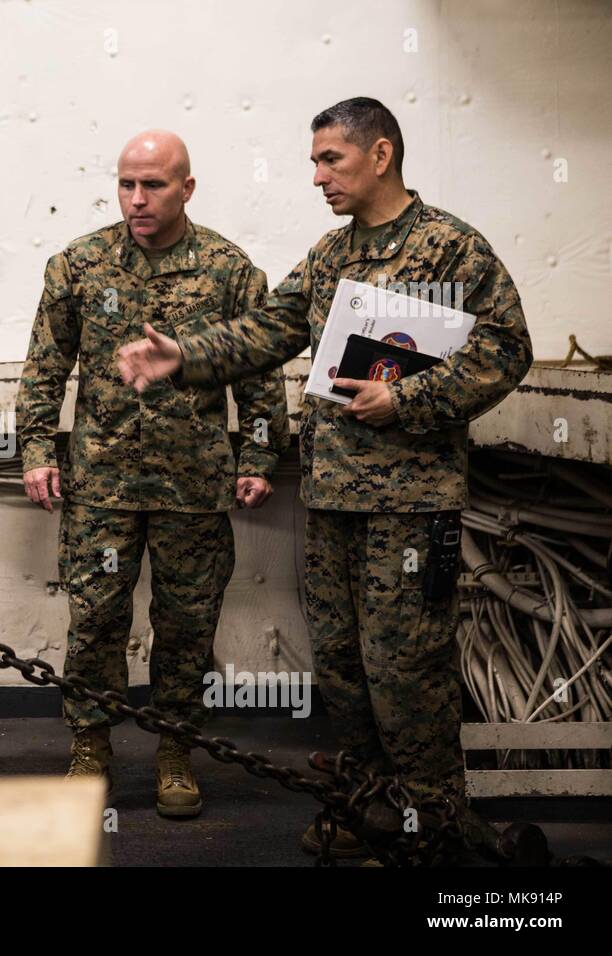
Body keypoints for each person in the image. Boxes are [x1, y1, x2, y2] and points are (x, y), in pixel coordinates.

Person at [117, 98, 533, 855]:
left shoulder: (449, 249)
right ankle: (372, 815)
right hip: (333, 497)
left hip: (410, 506)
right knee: (343, 671)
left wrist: (407, 397)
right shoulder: (332, 255)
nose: (317, 177)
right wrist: (185, 354)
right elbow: (269, 327)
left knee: (406, 675)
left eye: (329, 160)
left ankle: (442, 837)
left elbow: (507, 349)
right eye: (314, 162)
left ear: (380, 156)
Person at [16, 129, 289, 818]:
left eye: (154, 185)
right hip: (102, 484)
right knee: (97, 618)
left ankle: (175, 751)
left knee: (187, 624)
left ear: (186, 188)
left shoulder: (230, 270)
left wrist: (259, 456)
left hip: (192, 487)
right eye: (126, 183)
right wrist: (38, 451)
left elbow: (259, 375)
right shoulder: (77, 265)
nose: (137, 198)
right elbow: (45, 368)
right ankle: (90, 748)